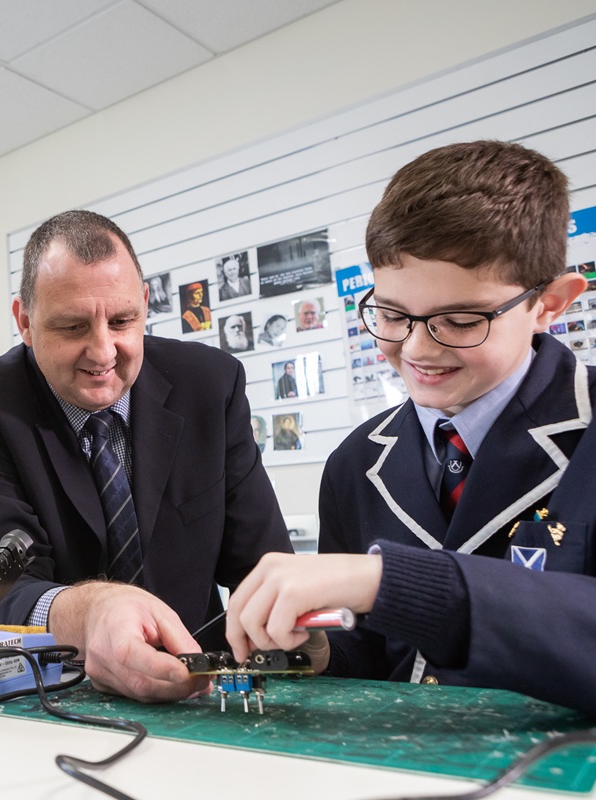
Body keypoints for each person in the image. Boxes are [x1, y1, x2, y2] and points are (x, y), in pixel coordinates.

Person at [225, 140, 596, 715]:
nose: (417, 349)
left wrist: (397, 584)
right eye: (393, 315)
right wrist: (320, 650)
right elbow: (373, 656)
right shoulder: (354, 463)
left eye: (461, 320)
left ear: (550, 303)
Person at [0, 210, 291, 703]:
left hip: (203, 685)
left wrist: (290, 632)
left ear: (146, 304)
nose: (103, 351)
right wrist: (90, 615)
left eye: (124, 321)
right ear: (24, 321)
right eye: (72, 327)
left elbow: (263, 564)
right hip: (61, 690)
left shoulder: (210, 385)